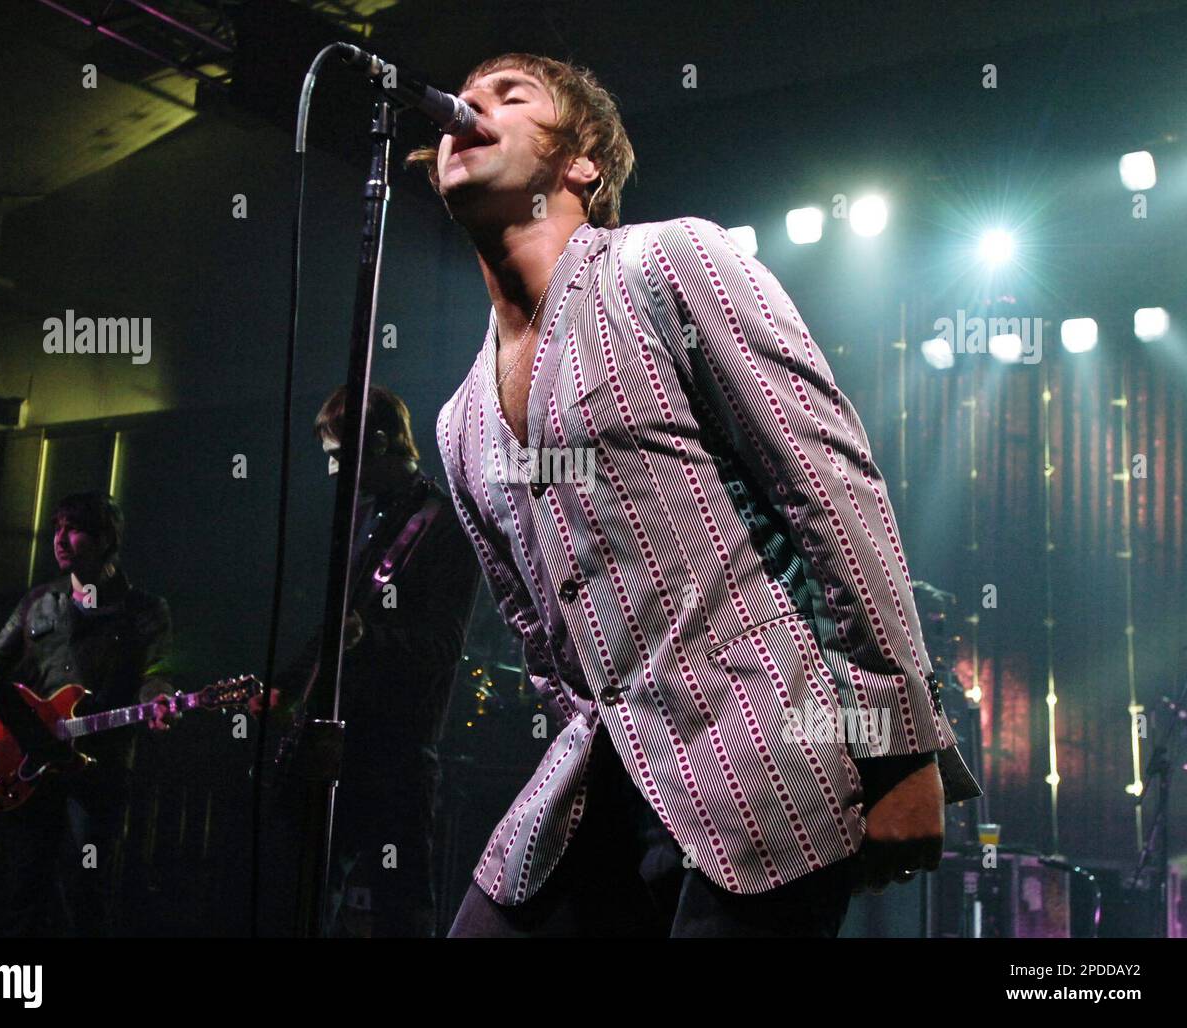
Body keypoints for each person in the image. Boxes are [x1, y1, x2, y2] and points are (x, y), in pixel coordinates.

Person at [405, 53, 983, 937]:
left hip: (765, 776)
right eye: (463, 100)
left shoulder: (668, 263)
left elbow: (830, 487)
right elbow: (541, 640)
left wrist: (901, 747)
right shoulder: (458, 422)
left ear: (582, 161)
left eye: (507, 96)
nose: (467, 110)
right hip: (594, 784)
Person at [262, 385, 480, 937]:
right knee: (306, 897)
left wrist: (372, 638)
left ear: (379, 443)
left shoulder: (444, 522)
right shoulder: (366, 517)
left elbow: (444, 646)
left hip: (397, 754)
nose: (335, 474)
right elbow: (337, 628)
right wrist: (284, 686)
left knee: (400, 909)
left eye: (340, 458)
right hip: (341, 744)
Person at [0, 490, 176, 936]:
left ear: (105, 539)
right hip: (33, 764)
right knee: (27, 883)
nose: (60, 539)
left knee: (90, 885)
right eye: (57, 527)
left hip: (100, 766)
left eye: (75, 529)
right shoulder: (38, 601)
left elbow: (157, 671)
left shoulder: (146, 610)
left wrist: (158, 698)